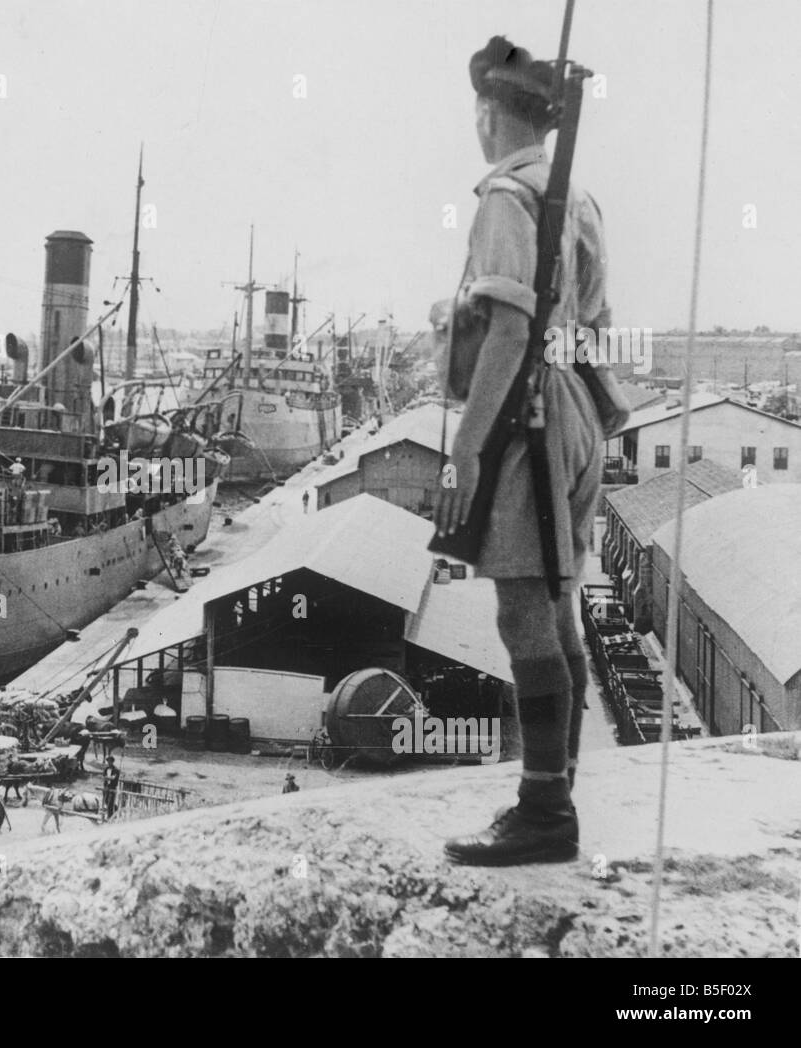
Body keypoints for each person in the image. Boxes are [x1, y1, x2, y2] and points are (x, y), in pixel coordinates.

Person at [436, 36, 610, 867]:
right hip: (574, 409)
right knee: (558, 600)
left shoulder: (506, 195)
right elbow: (595, 317)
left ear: (485, 114)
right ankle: (560, 783)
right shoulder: (574, 194)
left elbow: (508, 326)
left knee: (521, 611)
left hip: (526, 419)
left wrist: (466, 452)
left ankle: (544, 812)